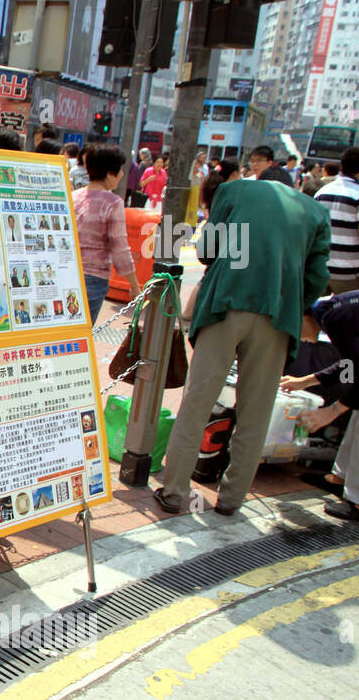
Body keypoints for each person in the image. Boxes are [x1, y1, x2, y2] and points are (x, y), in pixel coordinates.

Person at [154, 176, 331, 517]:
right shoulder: (316, 212)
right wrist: (293, 301)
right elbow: (317, 278)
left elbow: (207, 252)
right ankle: (232, 499)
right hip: (278, 317)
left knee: (198, 401)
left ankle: (175, 491)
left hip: (226, 304)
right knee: (256, 410)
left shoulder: (233, 191)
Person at [280, 289, 359, 520]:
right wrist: (305, 381)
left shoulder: (335, 318)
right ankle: (339, 479)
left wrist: (330, 412)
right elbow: (356, 363)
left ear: (302, 318)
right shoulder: (333, 309)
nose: (299, 339)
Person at [73, 145, 141, 324]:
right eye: (119, 170)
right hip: (93, 279)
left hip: (67, 274)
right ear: (110, 173)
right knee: (84, 335)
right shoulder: (112, 203)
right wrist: (134, 285)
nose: (121, 175)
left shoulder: (73, 197)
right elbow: (120, 248)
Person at [315, 146, 359, 294]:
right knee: (347, 314)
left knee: (314, 313)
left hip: (320, 266)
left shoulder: (322, 191)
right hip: (348, 270)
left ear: (341, 166)